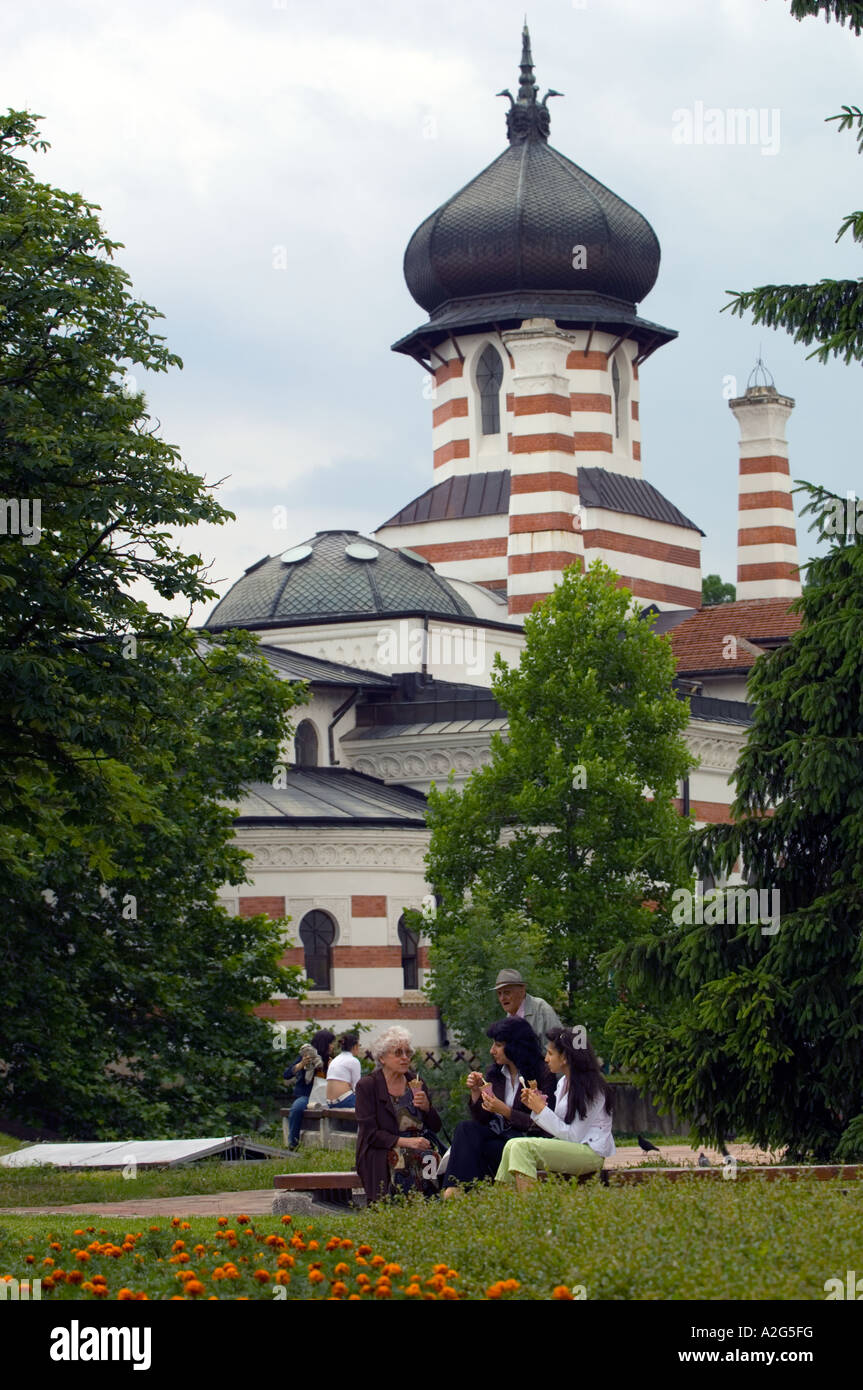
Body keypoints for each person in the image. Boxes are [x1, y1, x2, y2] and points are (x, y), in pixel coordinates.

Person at [441, 1016, 552, 1197]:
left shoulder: (542, 1074)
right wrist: (476, 1092)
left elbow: (545, 1125)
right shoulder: (496, 1074)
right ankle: (454, 1189)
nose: (492, 1050)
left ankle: (464, 1192)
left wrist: (506, 1111)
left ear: (516, 1045)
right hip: (500, 1137)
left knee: (483, 1148)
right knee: (466, 1129)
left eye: (498, 1045)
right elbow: (482, 1119)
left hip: (525, 1142)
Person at [495, 1025, 615, 1191]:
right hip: (572, 1147)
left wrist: (541, 1110)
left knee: (521, 1147)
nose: (546, 1059)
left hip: (590, 1154)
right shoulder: (563, 1083)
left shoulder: (592, 1088)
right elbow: (559, 1125)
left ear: (565, 1057)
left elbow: (573, 1136)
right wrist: (537, 1106)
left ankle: (529, 1209)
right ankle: (502, 1204)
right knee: (511, 1145)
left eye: (550, 1053)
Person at [354, 1025, 443, 1204]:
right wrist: (406, 1142)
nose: (405, 1058)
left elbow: (436, 1127)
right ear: (382, 1058)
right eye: (398, 1053)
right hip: (381, 1149)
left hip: (420, 1144)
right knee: (405, 1157)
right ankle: (402, 1208)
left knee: (430, 1157)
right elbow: (370, 1134)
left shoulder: (415, 1082)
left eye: (408, 1053)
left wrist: (427, 1107)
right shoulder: (368, 1086)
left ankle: (432, 1205)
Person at [283, 1029, 335, 1151]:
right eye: (330, 1043)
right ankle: (293, 1143)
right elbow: (286, 1075)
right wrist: (300, 1065)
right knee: (296, 1108)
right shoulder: (307, 1057)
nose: (332, 1046)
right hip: (307, 1095)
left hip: (325, 1095)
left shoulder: (330, 1060)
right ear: (324, 1044)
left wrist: (333, 1067)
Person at [492, 968, 562, 1050]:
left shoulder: (541, 1009)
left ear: (522, 991)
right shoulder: (509, 1017)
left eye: (507, 992)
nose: (502, 998)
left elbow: (560, 1048)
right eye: (499, 993)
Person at [326, 1031, 362, 1108]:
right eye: (359, 1045)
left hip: (329, 1102)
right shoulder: (353, 1061)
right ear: (355, 1046)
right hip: (344, 1100)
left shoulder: (335, 1059)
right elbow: (357, 1087)